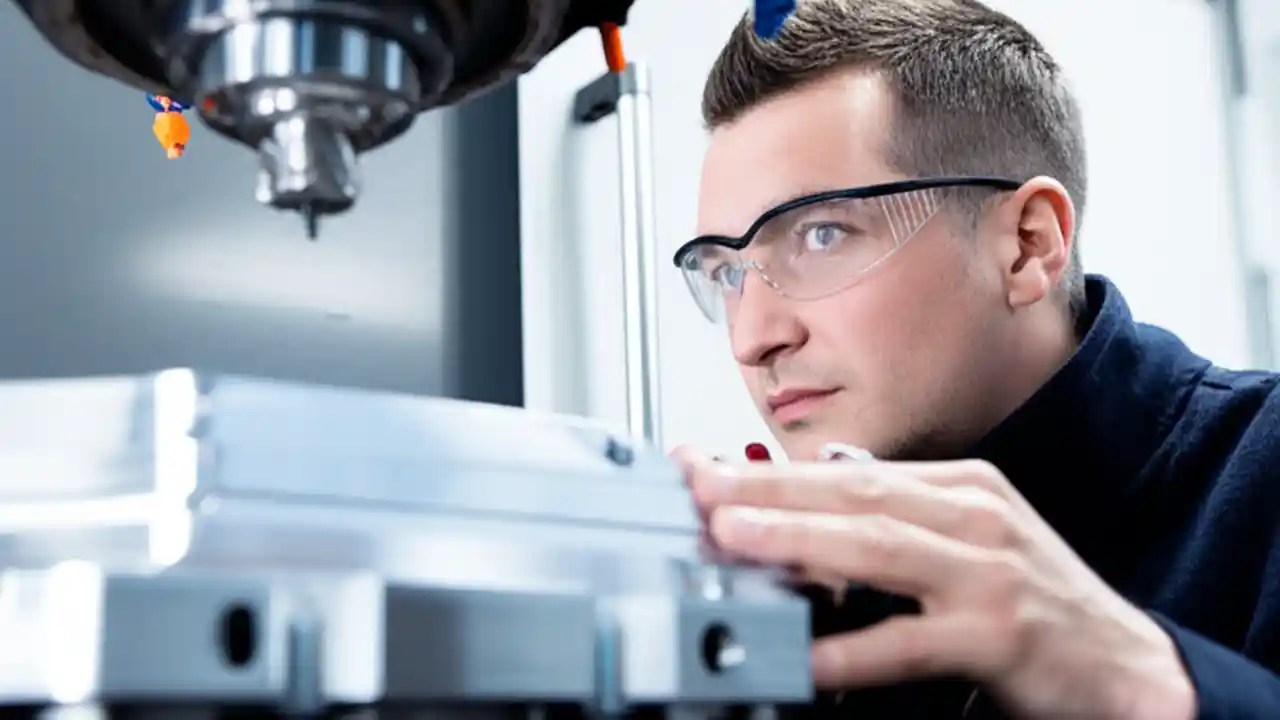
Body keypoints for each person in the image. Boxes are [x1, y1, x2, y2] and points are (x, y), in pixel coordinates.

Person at [669, 0, 1280, 717]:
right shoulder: (790, 600)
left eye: (822, 235)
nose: (753, 339)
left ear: (1027, 244)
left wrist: (1150, 686)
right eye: (727, 273)